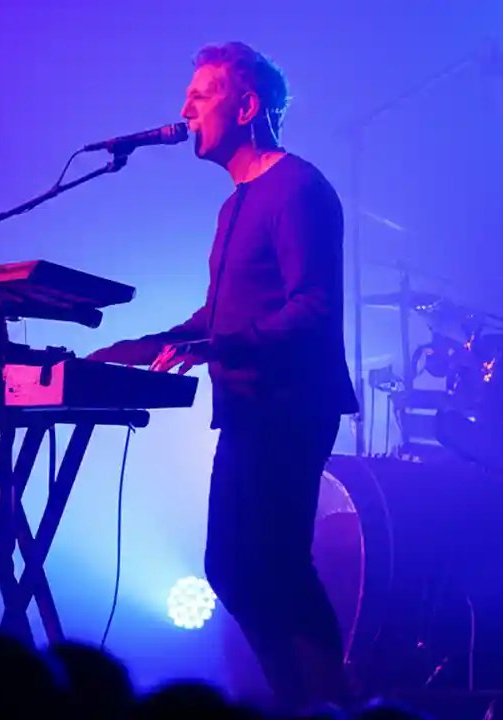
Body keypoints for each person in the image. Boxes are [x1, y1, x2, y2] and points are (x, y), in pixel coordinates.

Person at [88, 42, 358, 711]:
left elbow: (313, 307)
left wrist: (217, 344)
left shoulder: (297, 188)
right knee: (235, 568)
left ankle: (328, 706)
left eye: (200, 95)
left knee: (275, 568)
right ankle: (306, 702)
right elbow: (220, 314)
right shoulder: (234, 205)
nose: (183, 110)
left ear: (247, 105)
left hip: (290, 407)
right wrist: (147, 343)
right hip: (248, 406)